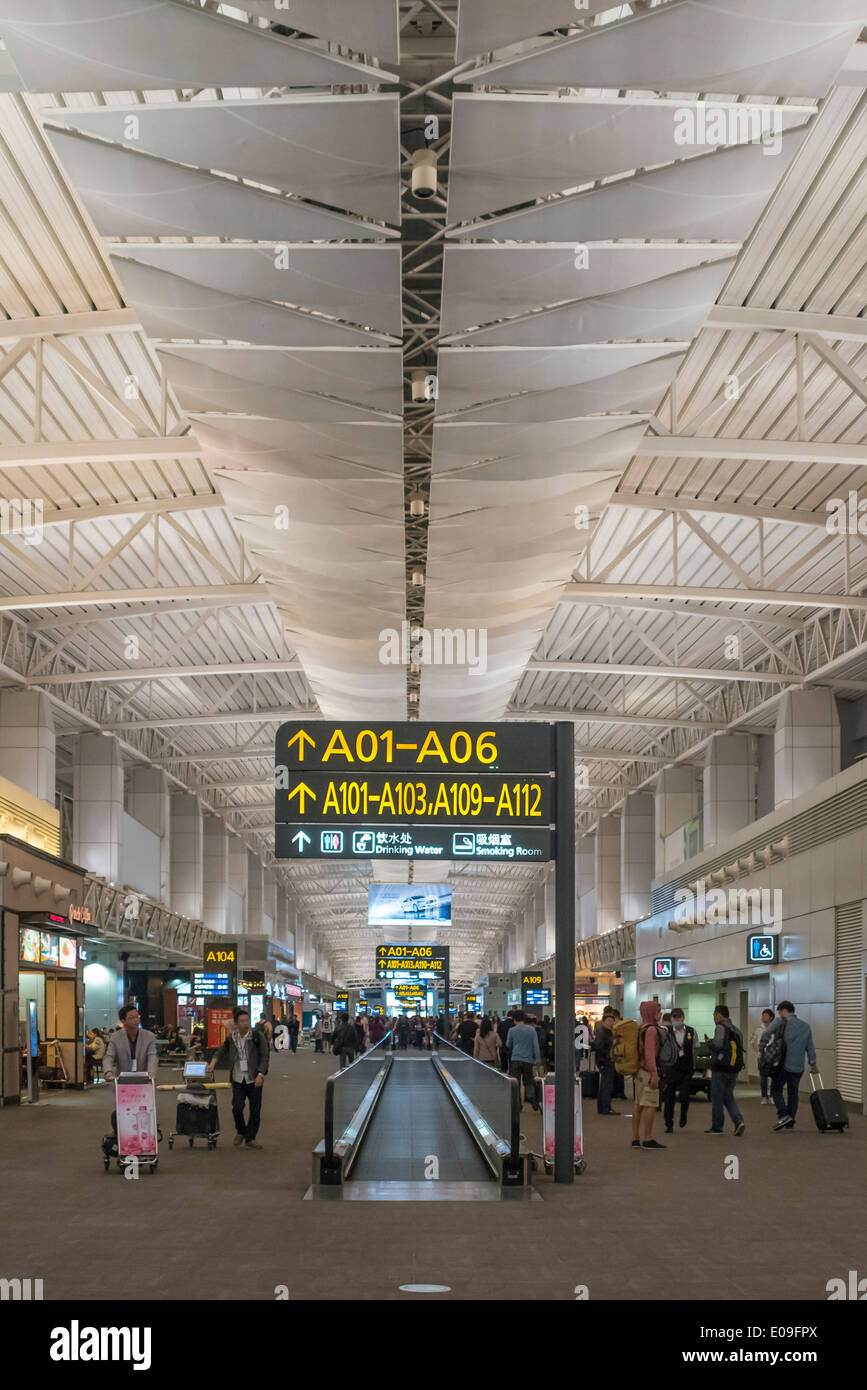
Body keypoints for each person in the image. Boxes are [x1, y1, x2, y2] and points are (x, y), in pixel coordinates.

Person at [207, 1005, 269, 1149]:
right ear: (236, 1023)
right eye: (241, 1021)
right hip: (237, 1078)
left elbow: (265, 1056)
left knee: (255, 1111)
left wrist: (261, 1074)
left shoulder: (256, 1036)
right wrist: (212, 1063)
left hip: (254, 1078)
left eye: (247, 1020)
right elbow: (221, 1051)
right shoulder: (232, 1038)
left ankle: (250, 1138)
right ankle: (241, 1131)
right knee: (237, 1108)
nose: (245, 1023)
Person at [760, 1000, 818, 1130]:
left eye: (780, 1012)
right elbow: (810, 1048)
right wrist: (813, 1065)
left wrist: (762, 1048)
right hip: (798, 1067)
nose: (780, 1014)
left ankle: (784, 1115)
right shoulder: (806, 1026)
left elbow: (766, 1034)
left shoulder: (780, 1021)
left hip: (782, 1065)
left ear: (784, 1011)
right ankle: (790, 1121)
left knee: (775, 1089)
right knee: (793, 1093)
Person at [705, 1004, 746, 1136]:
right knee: (728, 1095)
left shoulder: (720, 1027)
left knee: (716, 1096)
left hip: (720, 1068)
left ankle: (717, 1127)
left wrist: (709, 1042)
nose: (713, 1017)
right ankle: (738, 1121)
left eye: (713, 1015)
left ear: (719, 1014)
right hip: (734, 1068)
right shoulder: (736, 1030)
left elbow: (717, 1045)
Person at [633, 1000, 665, 1149]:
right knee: (650, 1104)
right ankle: (648, 1137)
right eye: (658, 1011)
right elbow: (650, 1054)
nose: (660, 1014)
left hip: (639, 1071)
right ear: (651, 1013)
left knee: (638, 1104)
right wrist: (654, 1074)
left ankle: (635, 1138)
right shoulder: (651, 1030)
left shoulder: (641, 1027)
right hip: (647, 1071)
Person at [661, 1007, 698, 1133]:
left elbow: (695, 1048)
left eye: (679, 1017)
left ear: (683, 1018)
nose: (677, 1020)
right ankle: (669, 1123)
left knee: (684, 1096)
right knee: (669, 1097)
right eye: (674, 1017)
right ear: (671, 1019)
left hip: (686, 1068)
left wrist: (694, 1064)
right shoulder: (667, 1031)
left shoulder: (691, 1031)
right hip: (671, 1068)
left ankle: (683, 1114)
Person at [103, 1006, 158, 1081]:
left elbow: (152, 1056)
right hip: (122, 1079)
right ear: (123, 1021)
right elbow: (109, 1056)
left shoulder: (149, 1036)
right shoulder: (115, 1037)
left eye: (137, 1016)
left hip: (143, 1078)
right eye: (131, 1018)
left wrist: (151, 1073)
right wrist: (108, 1071)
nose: (136, 1020)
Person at [505, 1010, 541, 1111]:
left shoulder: (512, 1030)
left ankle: (518, 1105)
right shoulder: (531, 1030)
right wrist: (537, 1059)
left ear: (514, 1019)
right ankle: (532, 1098)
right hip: (528, 1060)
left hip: (515, 1059)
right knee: (528, 1081)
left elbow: (508, 1044)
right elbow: (536, 1046)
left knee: (515, 1083)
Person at [594, 1009, 619, 1116]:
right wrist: (604, 1059)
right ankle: (605, 1108)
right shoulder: (603, 1033)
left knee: (605, 1085)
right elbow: (598, 1048)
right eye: (608, 1020)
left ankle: (603, 1107)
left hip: (606, 1061)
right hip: (606, 1062)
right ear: (604, 1021)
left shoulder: (609, 1032)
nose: (611, 1022)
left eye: (612, 1021)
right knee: (606, 1085)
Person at [752, 1008, 775, 1103]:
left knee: (774, 1077)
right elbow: (752, 1042)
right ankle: (764, 1096)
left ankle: (773, 1096)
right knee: (763, 1077)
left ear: (771, 1017)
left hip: (773, 1056)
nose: (763, 1017)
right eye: (762, 1015)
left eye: (765, 1015)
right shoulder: (758, 1029)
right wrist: (758, 1052)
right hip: (762, 1056)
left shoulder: (775, 1028)